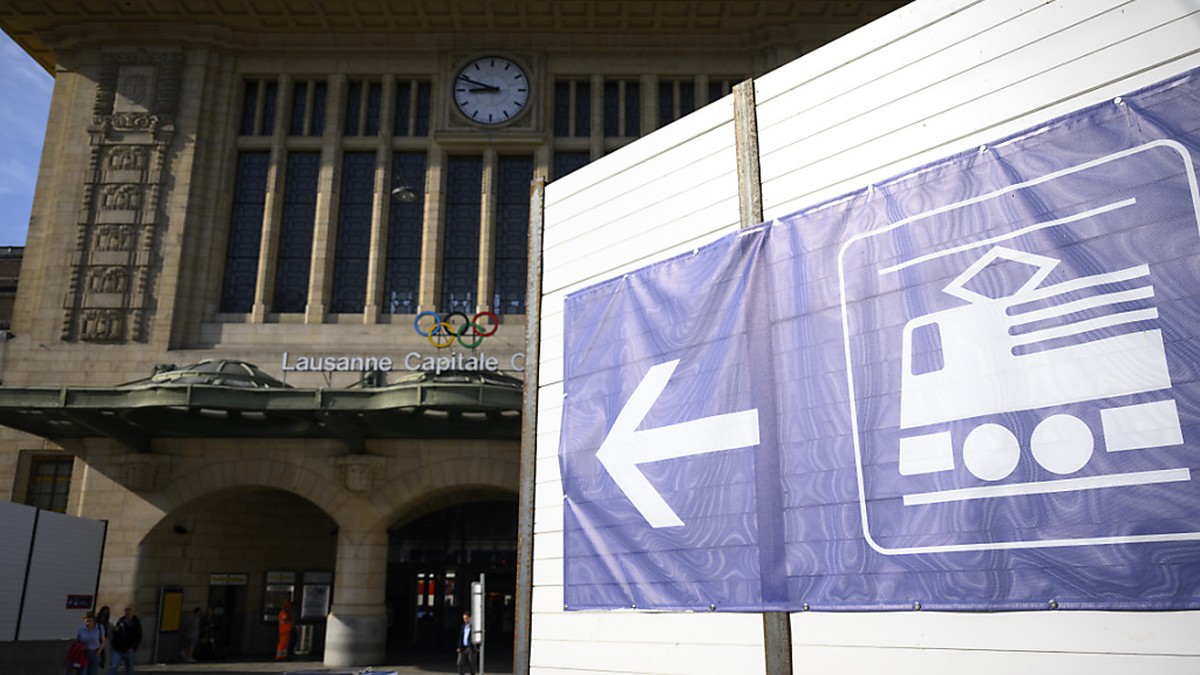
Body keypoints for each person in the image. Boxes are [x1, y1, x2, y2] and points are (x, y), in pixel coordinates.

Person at [107, 605, 142, 674]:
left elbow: (138, 637)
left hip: (129, 650)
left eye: (129, 610)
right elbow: (115, 634)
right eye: (126, 610)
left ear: (133, 612)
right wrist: (115, 631)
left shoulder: (136, 622)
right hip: (118, 649)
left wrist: (133, 647)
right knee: (113, 667)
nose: (128, 612)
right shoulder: (121, 620)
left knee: (129, 670)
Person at [94, 606, 112, 671]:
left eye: (107, 612)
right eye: (104, 611)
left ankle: (101, 666)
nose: (105, 613)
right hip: (96, 639)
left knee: (103, 655)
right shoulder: (97, 620)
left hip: (104, 640)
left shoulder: (107, 622)